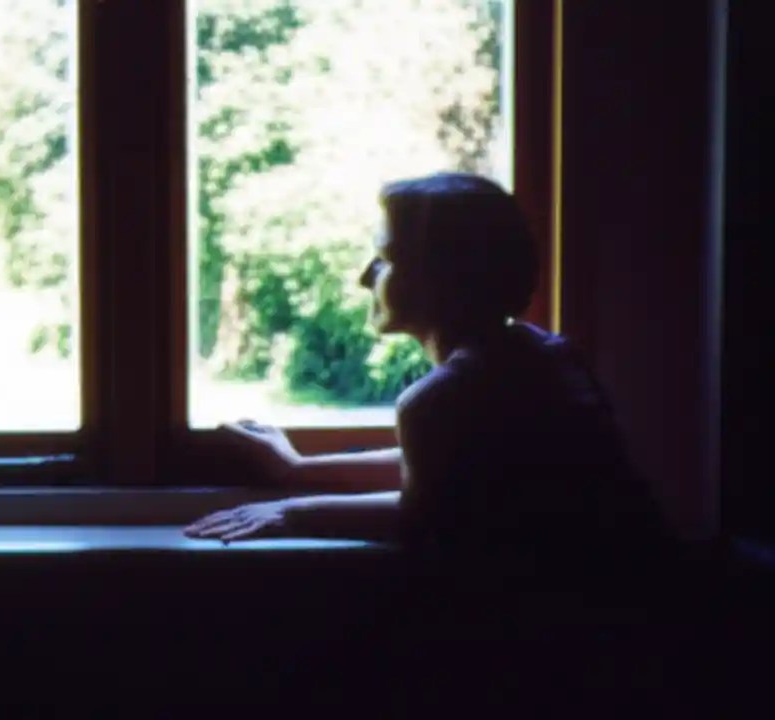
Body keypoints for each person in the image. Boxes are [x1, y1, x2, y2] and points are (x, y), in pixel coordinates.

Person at [184, 173, 670, 566]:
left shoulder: (441, 397)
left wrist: (293, 514)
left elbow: (419, 514)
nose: (364, 277)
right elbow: (443, 462)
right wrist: (299, 469)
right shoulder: (544, 355)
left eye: (385, 259)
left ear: (441, 277)